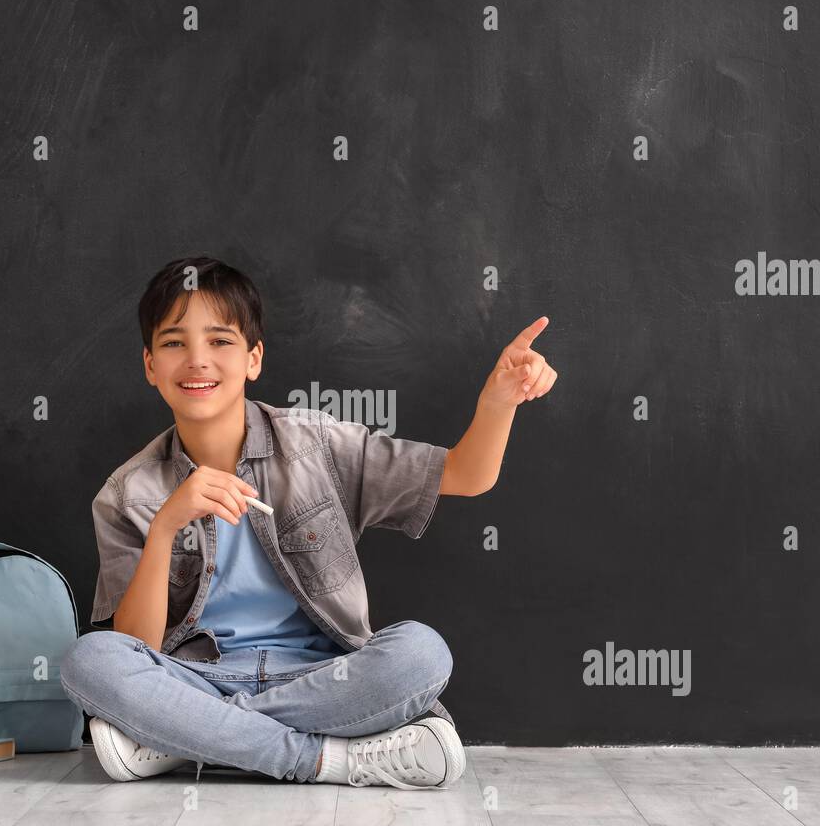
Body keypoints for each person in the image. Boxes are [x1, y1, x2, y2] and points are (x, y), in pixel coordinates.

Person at [58, 255, 557, 789]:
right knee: (90, 659)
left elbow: (465, 474)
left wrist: (498, 403)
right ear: (151, 364)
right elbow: (138, 647)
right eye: (175, 342)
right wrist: (164, 526)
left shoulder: (315, 443)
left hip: (324, 678)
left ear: (254, 359)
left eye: (221, 341)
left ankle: (186, 740)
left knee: (421, 652)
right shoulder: (124, 493)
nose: (197, 360)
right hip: (198, 679)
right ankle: (323, 760)